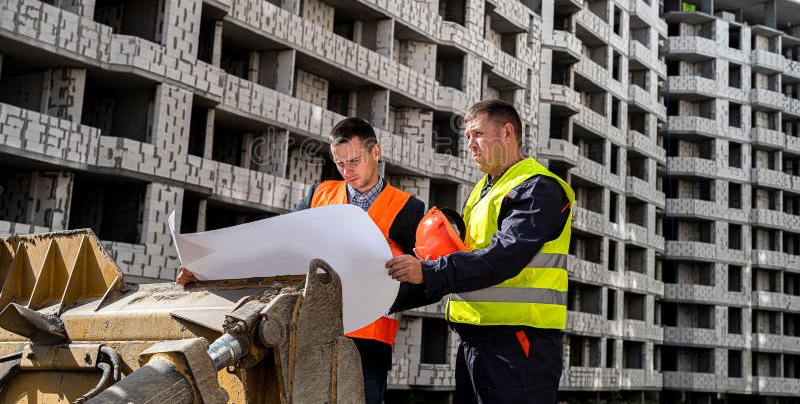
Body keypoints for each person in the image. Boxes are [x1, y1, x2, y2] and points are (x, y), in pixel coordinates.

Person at [178, 117, 424, 404]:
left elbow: (425, 281)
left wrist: (381, 291)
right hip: (309, 336)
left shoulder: (408, 209)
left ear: (376, 153)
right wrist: (205, 271)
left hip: (368, 348)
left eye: (354, 161)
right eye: (340, 163)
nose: (347, 171)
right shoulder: (318, 195)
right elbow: (275, 247)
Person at [386, 99, 573, 404]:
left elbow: (504, 256)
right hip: (476, 342)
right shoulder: (482, 191)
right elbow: (460, 261)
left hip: (518, 344)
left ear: (508, 133)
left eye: (478, 135)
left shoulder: (539, 188)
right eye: (467, 138)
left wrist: (429, 272)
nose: (470, 145)